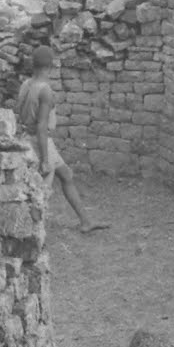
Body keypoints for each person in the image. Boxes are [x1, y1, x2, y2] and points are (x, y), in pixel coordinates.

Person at [16, 45, 108, 233]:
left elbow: (20, 113)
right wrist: (44, 159)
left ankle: (86, 221)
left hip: (27, 137)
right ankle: (33, 235)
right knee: (42, 193)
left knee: (66, 175)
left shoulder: (26, 84)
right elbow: (42, 126)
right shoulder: (45, 91)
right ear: (50, 66)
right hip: (41, 142)